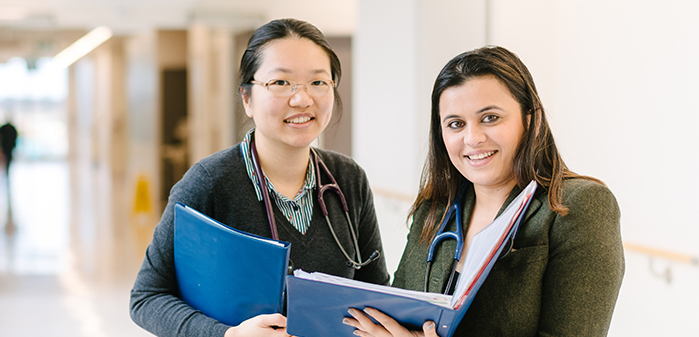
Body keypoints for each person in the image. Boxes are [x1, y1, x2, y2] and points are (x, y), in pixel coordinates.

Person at [130, 18, 389, 337]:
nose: (302, 99)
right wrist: (229, 335)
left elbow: (377, 292)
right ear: (247, 99)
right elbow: (147, 298)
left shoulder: (348, 179)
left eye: (318, 82)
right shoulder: (209, 183)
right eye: (280, 82)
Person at [343, 46, 624, 337]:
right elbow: (396, 317)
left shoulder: (577, 206)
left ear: (530, 119)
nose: (473, 138)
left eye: (490, 118)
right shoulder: (435, 209)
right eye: (455, 124)